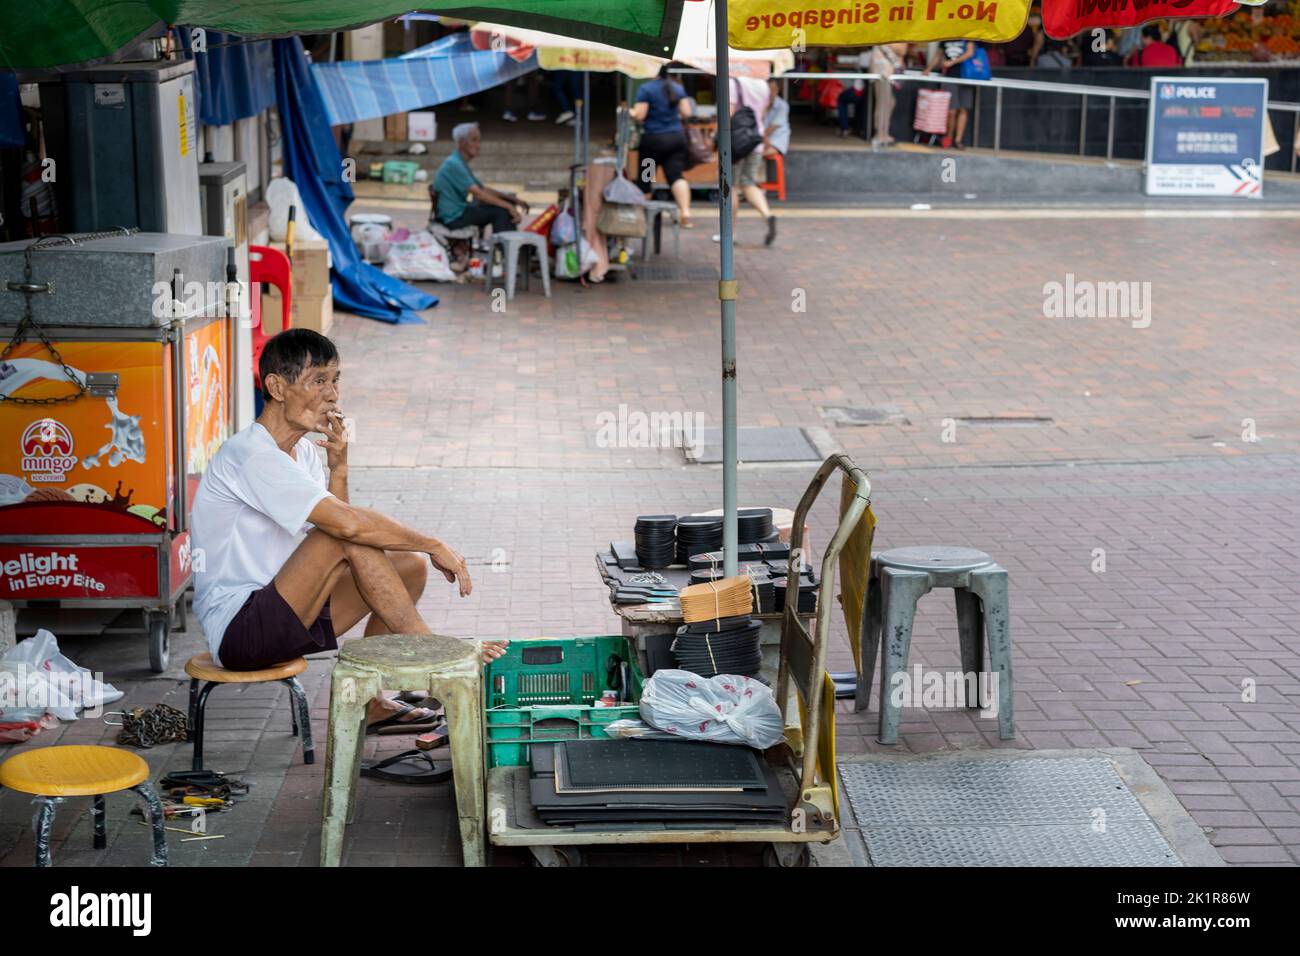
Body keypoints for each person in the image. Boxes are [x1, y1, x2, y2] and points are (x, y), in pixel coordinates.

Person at [191, 329, 508, 733]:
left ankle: (371, 701)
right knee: (344, 535)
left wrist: (338, 468)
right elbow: (344, 527)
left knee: (408, 566)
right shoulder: (250, 455)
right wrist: (433, 543)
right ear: (276, 387)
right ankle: (438, 659)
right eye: (318, 381)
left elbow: (339, 520)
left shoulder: (302, 451)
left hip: (286, 612)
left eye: (335, 380)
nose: (333, 394)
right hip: (241, 634)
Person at [431, 123, 529, 237]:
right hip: (453, 218)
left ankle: (507, 248)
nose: (478, 145)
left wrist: (513, 200)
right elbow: (479, 194)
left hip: (459, 212)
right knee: (501, 211)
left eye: (479, 141)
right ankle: (504, 251)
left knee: (503, 205)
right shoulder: (454, 164)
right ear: (462, 142)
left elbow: (482, 189)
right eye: (474, 140)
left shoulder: (458, 162)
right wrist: (509, 206)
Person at [630, 64, 695, 228]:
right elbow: (687, 112)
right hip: (676, 138)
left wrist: (630, 112)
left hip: (653, 141)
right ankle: (685, 212)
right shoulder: (677, 88)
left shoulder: (646, 89)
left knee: (647, 178)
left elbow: (640, 115)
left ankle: (642, 217)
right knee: (675, 176)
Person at [715, 75, 777, 246]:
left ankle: (730, 233)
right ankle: (767, 215)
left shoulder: (732, 83)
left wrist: (716, 135)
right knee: (749, 183)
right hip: (755, 141)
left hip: (736, 144)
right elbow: (762, 115)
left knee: (731, 185)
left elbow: (729, 112)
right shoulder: (763, 85)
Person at [927, 40, 976, 150]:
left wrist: (952, 62)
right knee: (951, 111)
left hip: (966, 76)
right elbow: (938, 55)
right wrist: (928, 69)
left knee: (963, 109)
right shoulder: (945, 37)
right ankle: (948, 138)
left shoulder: (967, 35)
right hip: (949, 77)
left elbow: (970, 53)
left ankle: (958, 140)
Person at [868, 43, 907, 146]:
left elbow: (903, 51)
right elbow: (902, 50)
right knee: (883, 104)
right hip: (882, 72)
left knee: (889, 102)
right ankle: (879, 134)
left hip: (889, 73)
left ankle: (884, 133)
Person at [765, 77, 791, 158]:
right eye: (769, 89)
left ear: (777, 90)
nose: (771, 92)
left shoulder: (782, 106)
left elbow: (771, 128)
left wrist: (763, 140)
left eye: (774, 89)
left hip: (776, 140)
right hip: (762, 139)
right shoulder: (761, 104)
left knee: (759, 154)